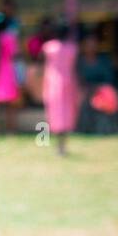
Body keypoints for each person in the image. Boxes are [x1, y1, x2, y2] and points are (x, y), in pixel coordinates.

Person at [76, 25, 118, 135]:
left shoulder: (104, 60)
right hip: (85, 92)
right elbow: (78, 80)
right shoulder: (79, 62)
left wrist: (98, 88)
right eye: (88, 44)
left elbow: (110, 79)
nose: (91, 47)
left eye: (94, 44)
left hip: (102, 91)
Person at [41, 19, 77, 155]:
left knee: (52, 113)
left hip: (53, 82)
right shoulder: (72, 48)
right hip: (68, 82)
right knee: (66, 114)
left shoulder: (49, 47)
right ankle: (62, 146)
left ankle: (49, 142)